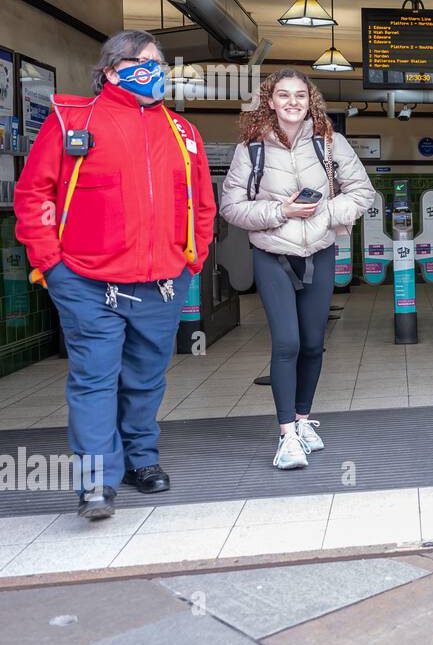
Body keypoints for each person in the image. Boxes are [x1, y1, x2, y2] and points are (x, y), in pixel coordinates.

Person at [14, 30, 216, 519]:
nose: (154, 70)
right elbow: (34, 194)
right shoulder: (71, 121)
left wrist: (193, 260)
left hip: (163, 283)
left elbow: (202, 204)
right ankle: (95, 483)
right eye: (141, 62)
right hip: (85, 282)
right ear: (111, 71)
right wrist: (52, 265)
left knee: (146, 380)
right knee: (94, 380)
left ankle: (140, 461)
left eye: (158, 61)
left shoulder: (183, 134)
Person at [221, 68, 374, 470]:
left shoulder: (330, 143)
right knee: (287, 343)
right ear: (269, 101)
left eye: (300, 96)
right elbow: (231, 207)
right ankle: (287, 435)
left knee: (311, 343)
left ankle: (304, 420)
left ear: (311, 101)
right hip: (272, 255)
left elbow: (363, 192)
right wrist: (280, 211)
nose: (292, 102)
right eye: (283, 95)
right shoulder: (250, 148)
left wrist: (326, 212)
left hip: (320, 253)